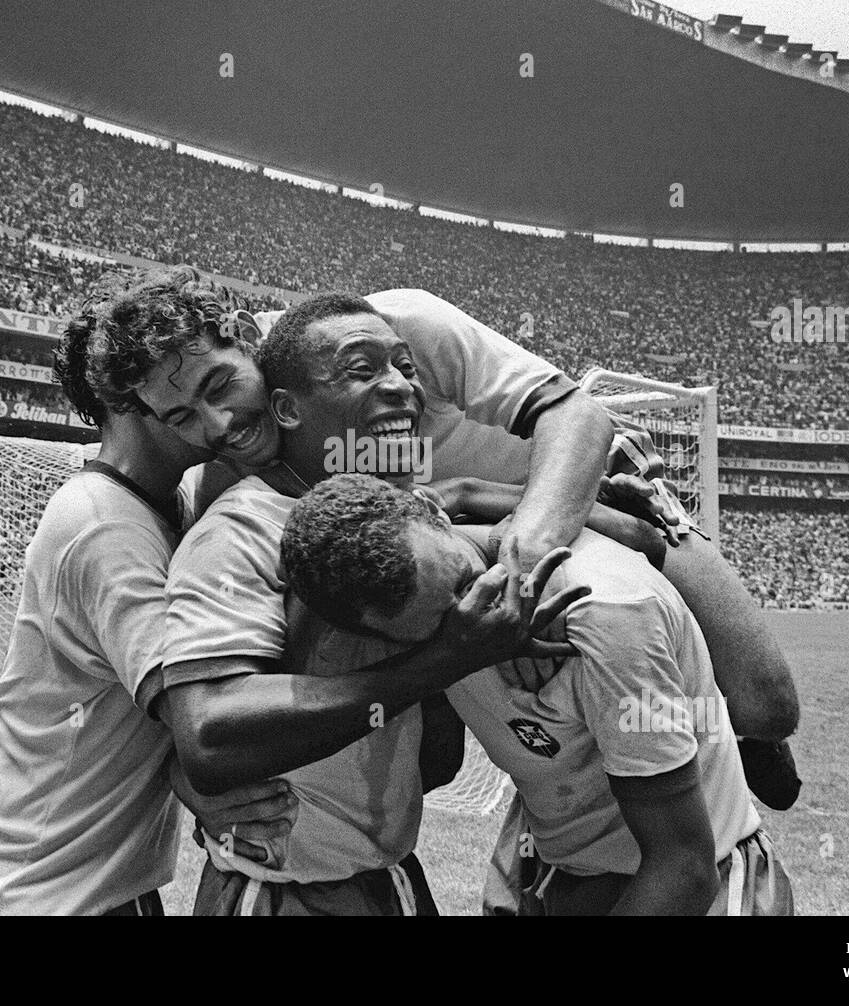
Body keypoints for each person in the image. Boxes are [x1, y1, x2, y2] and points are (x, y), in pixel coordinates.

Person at [157, 288, 795, 914]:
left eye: (217, 388)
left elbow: (580, 417)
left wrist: (525, 574)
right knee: (554, 751)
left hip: (565, 483)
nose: (216, 423)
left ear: (246, 337)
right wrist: (191, 773)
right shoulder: (240, 486)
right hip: (445, 533)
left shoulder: (402, 325)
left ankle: (724, 733)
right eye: (180, 416)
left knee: (763, 705)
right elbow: (203, 690)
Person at [0, 274, 301, 916]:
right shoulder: (106, 527)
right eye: (182, 400)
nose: (214, 419)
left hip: (104, 886)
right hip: (33, 896)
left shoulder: (165, 502)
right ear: (134, 399)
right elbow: (207, 724)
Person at [280, 474, 794, 916]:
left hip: (696, 890)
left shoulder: (606, 614)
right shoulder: (427, 632)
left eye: (466, 579)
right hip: (566, 875)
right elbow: (438, 763)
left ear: (439, 517)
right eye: (443, 624)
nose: (487, 609)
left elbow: (684, 869)